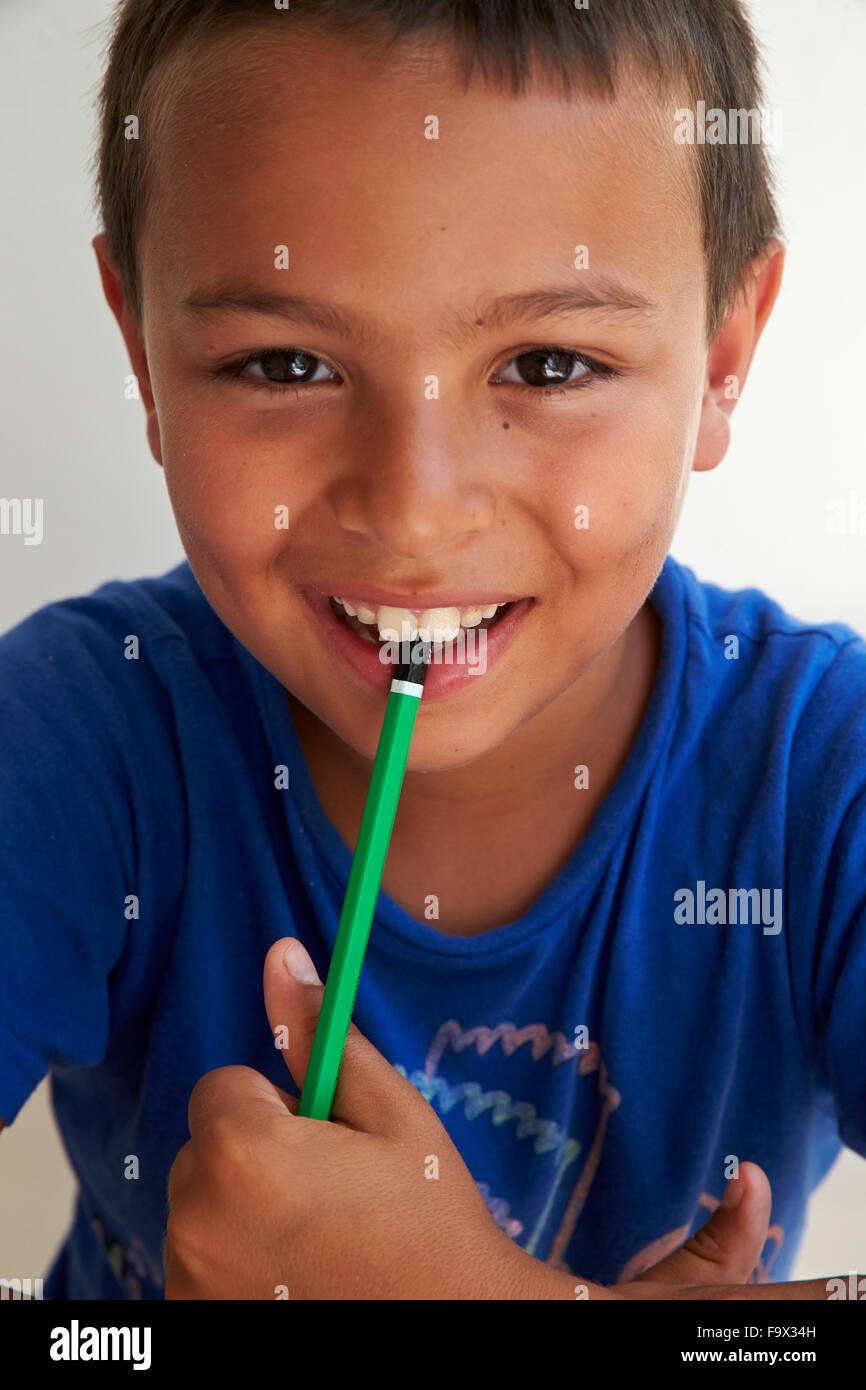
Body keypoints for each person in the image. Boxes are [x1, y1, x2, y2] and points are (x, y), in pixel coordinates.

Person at [1, 0, 863, 1299]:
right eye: (284, 362)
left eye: (550, 361)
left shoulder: (824, 778)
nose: (411, 514)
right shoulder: (74, 739)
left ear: (723, 356)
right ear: (139, 345)